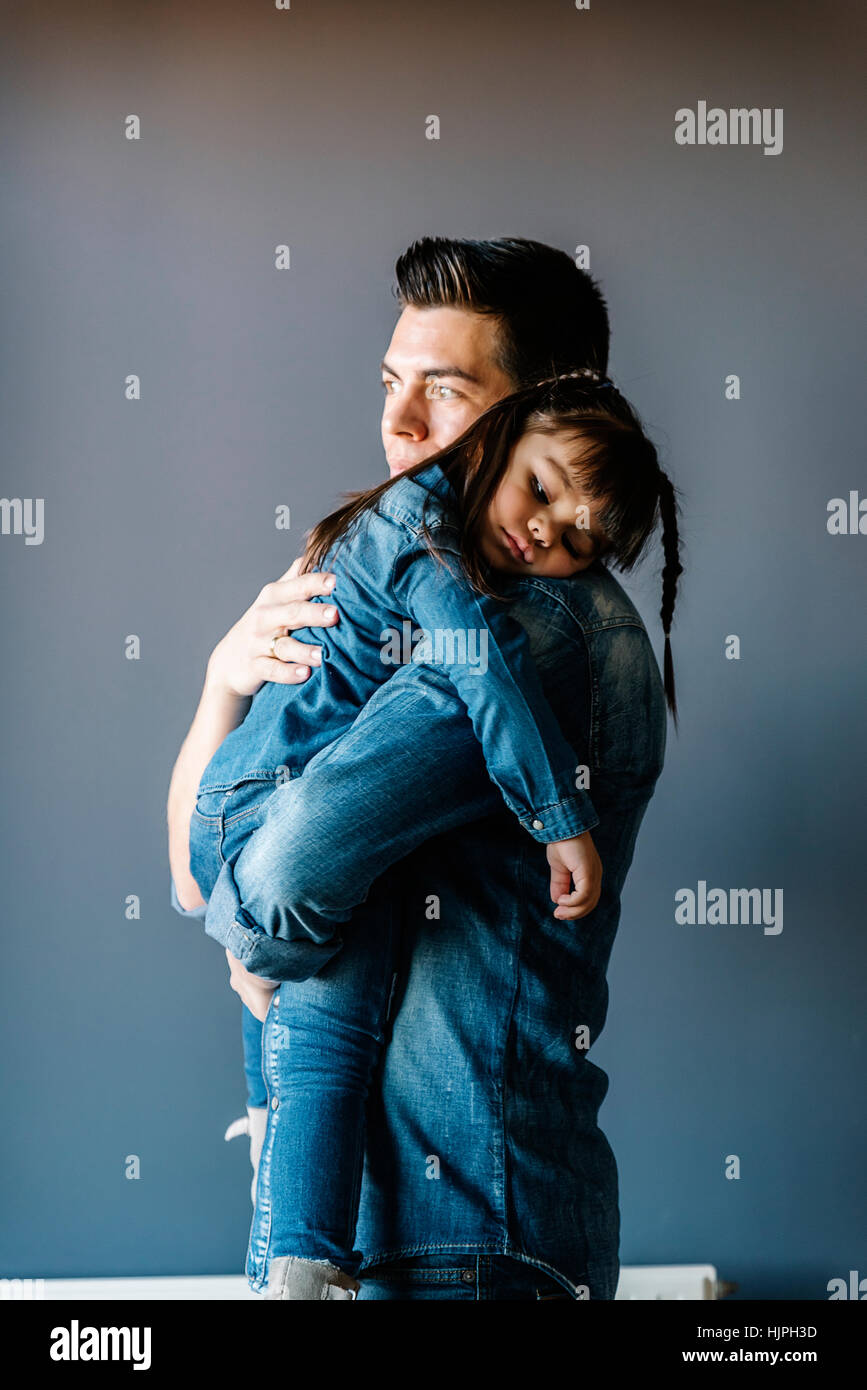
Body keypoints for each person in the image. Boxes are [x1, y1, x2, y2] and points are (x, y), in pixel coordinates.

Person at [167, 237, 681, 1299]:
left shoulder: (534, 626)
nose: (399, 425)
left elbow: (271, 880)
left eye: (443, 393)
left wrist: (256, 942)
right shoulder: (407, 582)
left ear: (544, 414)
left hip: (464, 1244)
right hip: (417, 1240)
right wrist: (222, 677)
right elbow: (198, 877)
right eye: (392, 384)